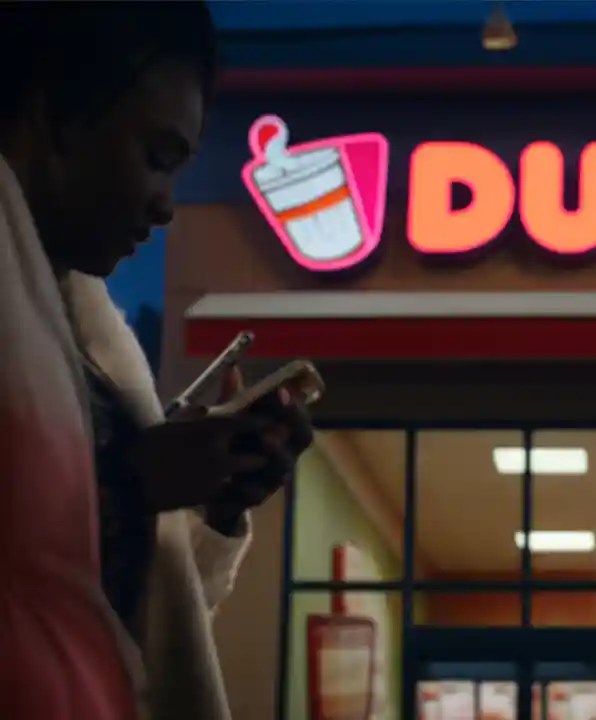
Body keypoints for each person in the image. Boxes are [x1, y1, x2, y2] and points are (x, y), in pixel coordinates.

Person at [0, 3, 313, 719]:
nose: (169, 206)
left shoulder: (87, 334)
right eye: (156, 158)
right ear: (57, 117)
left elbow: (123, 624)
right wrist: (135, 480)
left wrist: (211, 498)